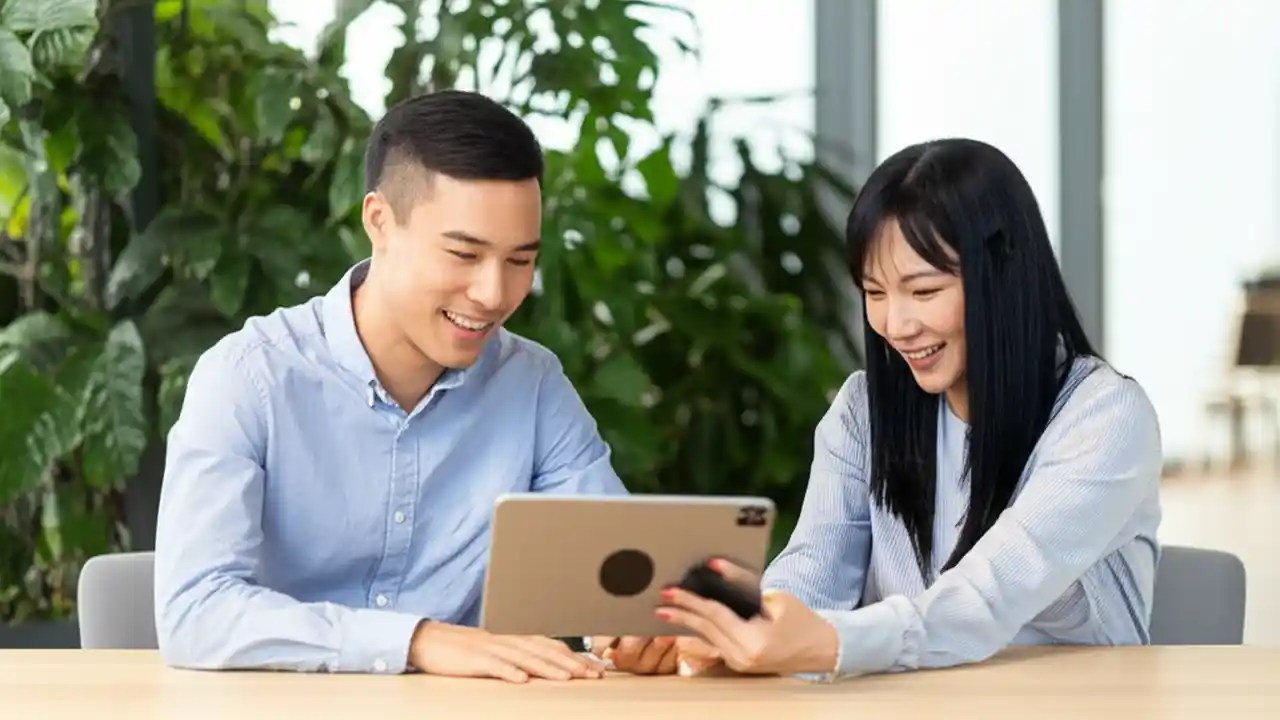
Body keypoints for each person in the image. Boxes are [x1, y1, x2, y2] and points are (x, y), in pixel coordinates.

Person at [601, 138, 1163, 680]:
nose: (896, 325)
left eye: (923, 292)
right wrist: (725, 633)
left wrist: (833, 642)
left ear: (1002, 281)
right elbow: (810, 578)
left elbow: (985, 597)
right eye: (874, 293)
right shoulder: (862, 413)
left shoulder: (1103, 418)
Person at [154, 90, 627, 682]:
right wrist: (417, 641)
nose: (493, 294)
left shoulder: (531, 386)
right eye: (464, 253)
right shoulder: (249, 377)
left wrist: (633, 627)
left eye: (519, 261)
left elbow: (614, 570)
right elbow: (196, 610)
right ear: (379, 221)